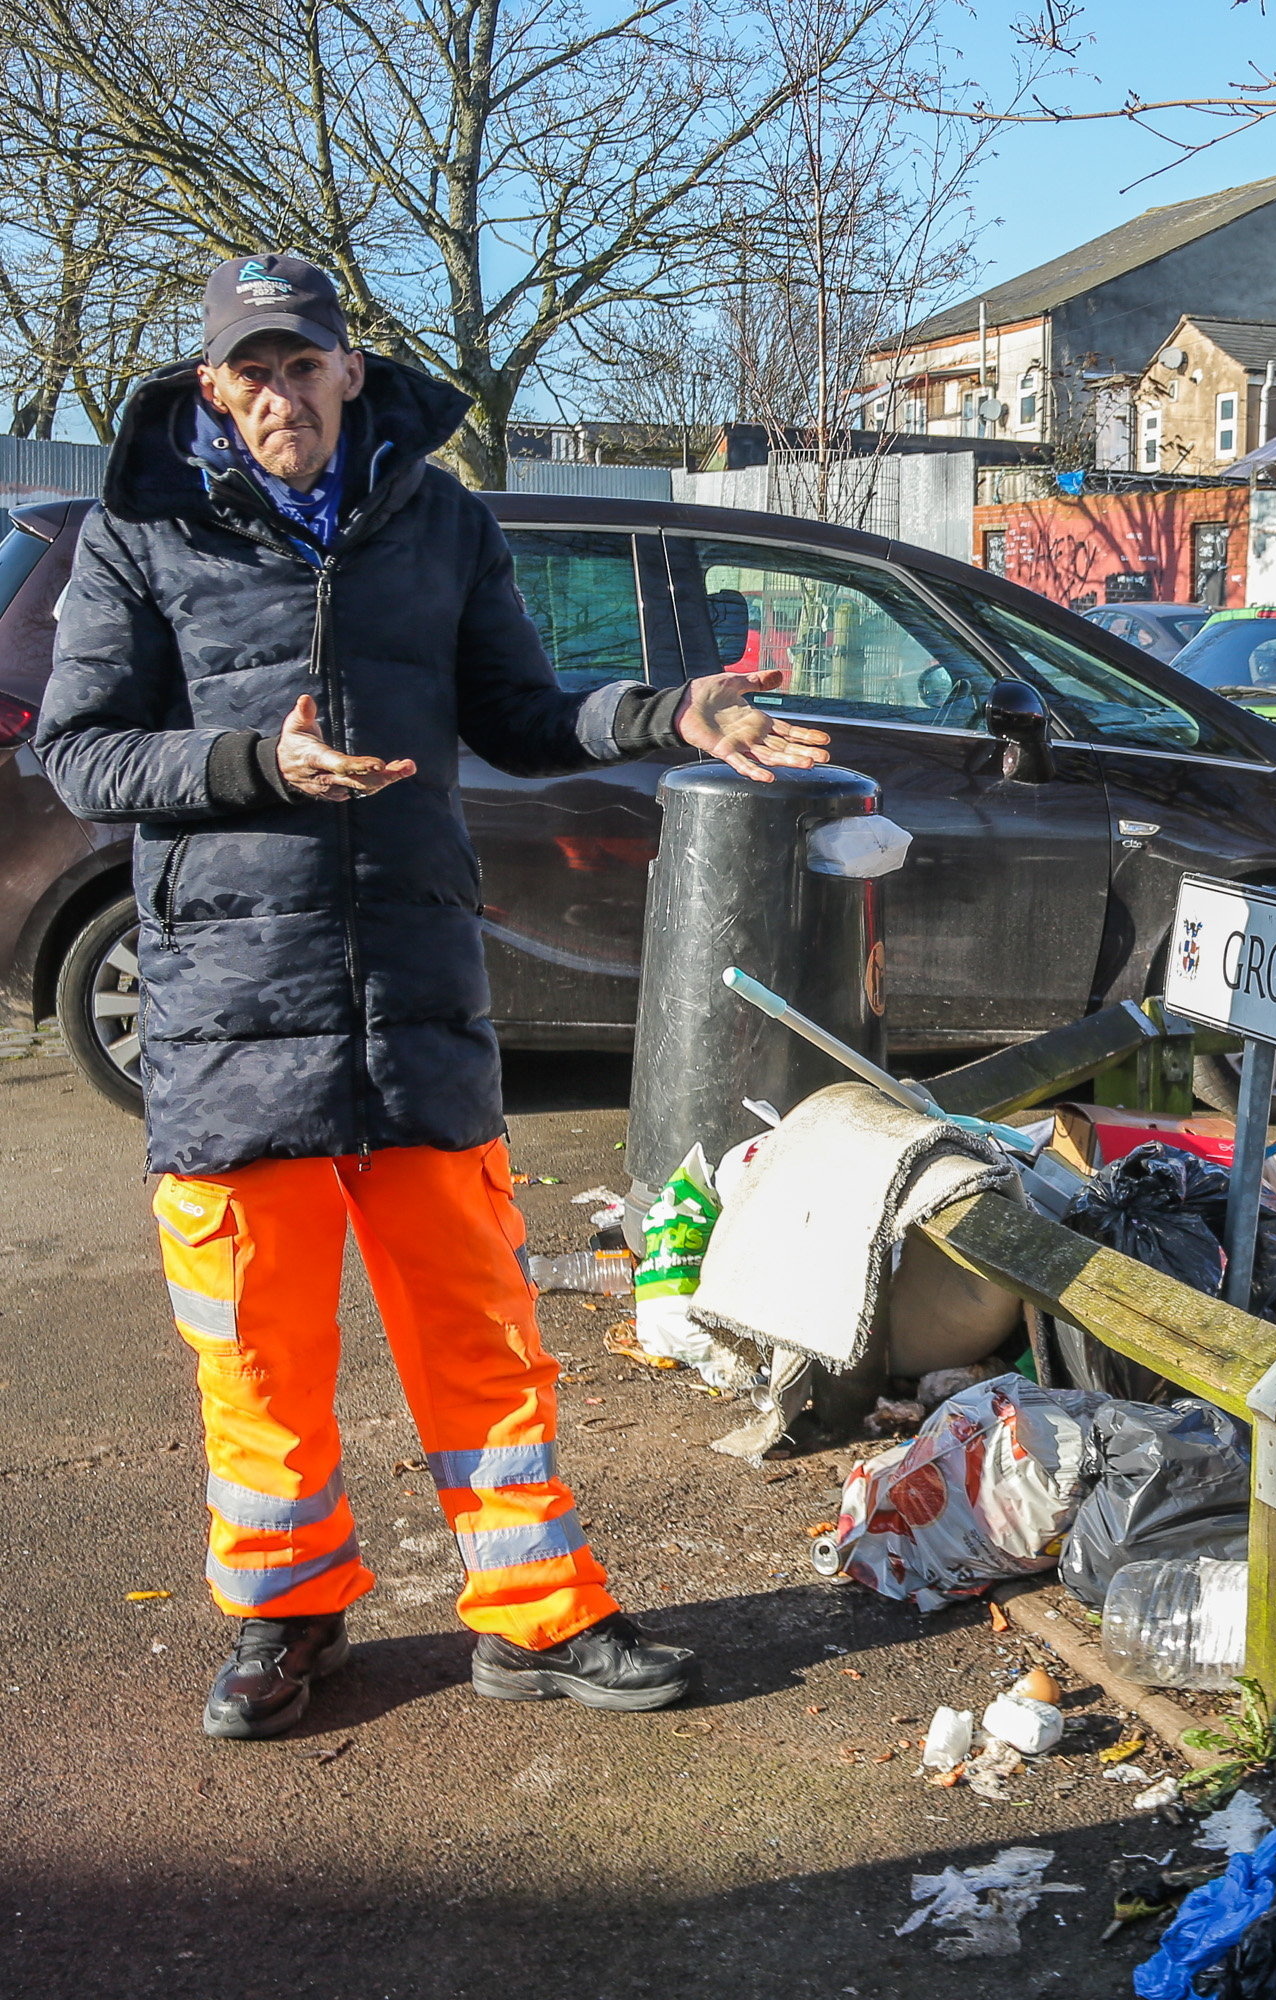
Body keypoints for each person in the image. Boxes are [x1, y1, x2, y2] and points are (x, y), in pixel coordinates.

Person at [35, 251, 832, 1740]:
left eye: (304, 364)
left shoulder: (438, 519)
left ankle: (536, 1619)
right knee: (259, 1344)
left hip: (414, 988)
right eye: (252, 370)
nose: (283, 392)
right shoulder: (137, 532)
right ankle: (287, 1615)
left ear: (351, 369)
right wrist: (253, 764)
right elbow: (83, 755)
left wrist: (673, 711)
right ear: (214, 386)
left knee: (479, 1325)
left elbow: (523, 716)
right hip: (227, 1004)